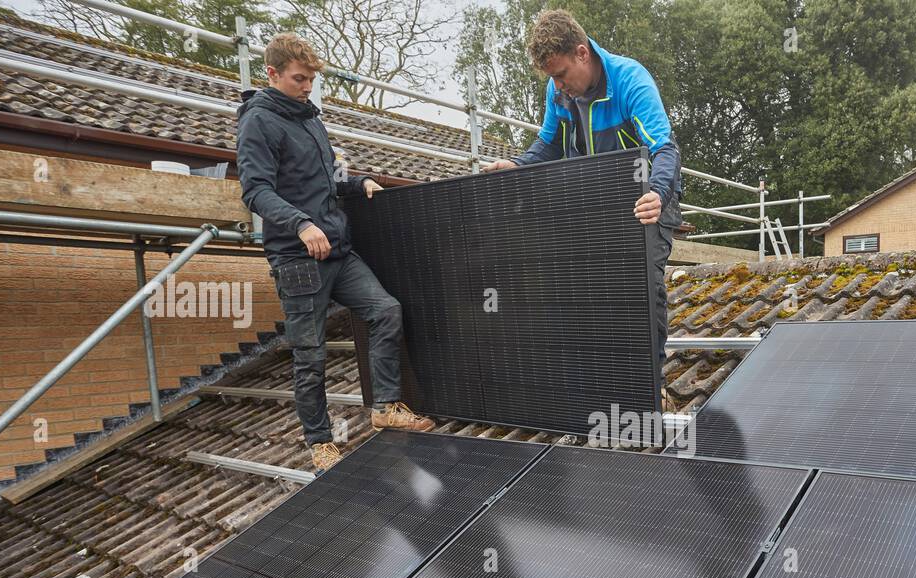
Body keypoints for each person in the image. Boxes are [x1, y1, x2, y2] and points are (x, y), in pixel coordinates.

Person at [235, 32, 434, 473]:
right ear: (272, 73)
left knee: (385, 311)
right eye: (298, 79)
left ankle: (384, 406)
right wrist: (301, 224)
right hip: (297, 258)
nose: (307, 87)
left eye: (310, 80)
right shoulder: (258, 121)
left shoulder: (310, 119)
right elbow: (255, 191)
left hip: (338, 252)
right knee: (311, 354)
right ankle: (320, 442)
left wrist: (357, 181)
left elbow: (326, 178)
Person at [483, 9, 681, 368]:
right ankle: (601, 371)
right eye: (551, 78)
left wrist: (658, 192)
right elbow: (550, 144)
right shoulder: (556, 90)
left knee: (640, 283)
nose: (557, 85)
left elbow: (664, 148)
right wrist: (517, 164)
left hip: (648, 197)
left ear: (582, 53)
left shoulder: (630, 80)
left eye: (560, 75)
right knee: (586, 283)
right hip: (594, 200)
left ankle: (652, 383)